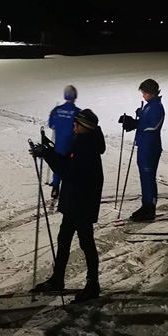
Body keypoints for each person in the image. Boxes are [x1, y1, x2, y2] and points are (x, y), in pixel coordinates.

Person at [29, 108, 105, 302]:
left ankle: (92, 284)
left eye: (76, 124)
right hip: (74, 200)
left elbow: (69, 172)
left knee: (86, 242)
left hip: (82, 202)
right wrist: (49, 151)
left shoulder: (86, 147)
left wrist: (47, 156)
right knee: (63, 240)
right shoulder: (83, 142)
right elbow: (67, 162)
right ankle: (57, 278)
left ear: (83, 127)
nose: (73, 126)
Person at [119, 78, 165, 221]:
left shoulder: (156, 107)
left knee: (148, 177)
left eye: (144, 92)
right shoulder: (149, 105)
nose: (143, 95)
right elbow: (144, 123)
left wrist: (135, 124)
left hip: (151, 146)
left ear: (151, 92)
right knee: (144, 177)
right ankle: (145, 205)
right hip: (144, 144)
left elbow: (153, 126)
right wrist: (134, 120)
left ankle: (149, 208)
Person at [46, 85, 80, 199]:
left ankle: (55, 187)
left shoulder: (57, 110)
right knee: (70, 166)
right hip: (71, 144)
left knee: (59, 164)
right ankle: (68, 189)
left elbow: (51, 125)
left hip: (59, 144)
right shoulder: (77, 112)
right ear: (75, 96)